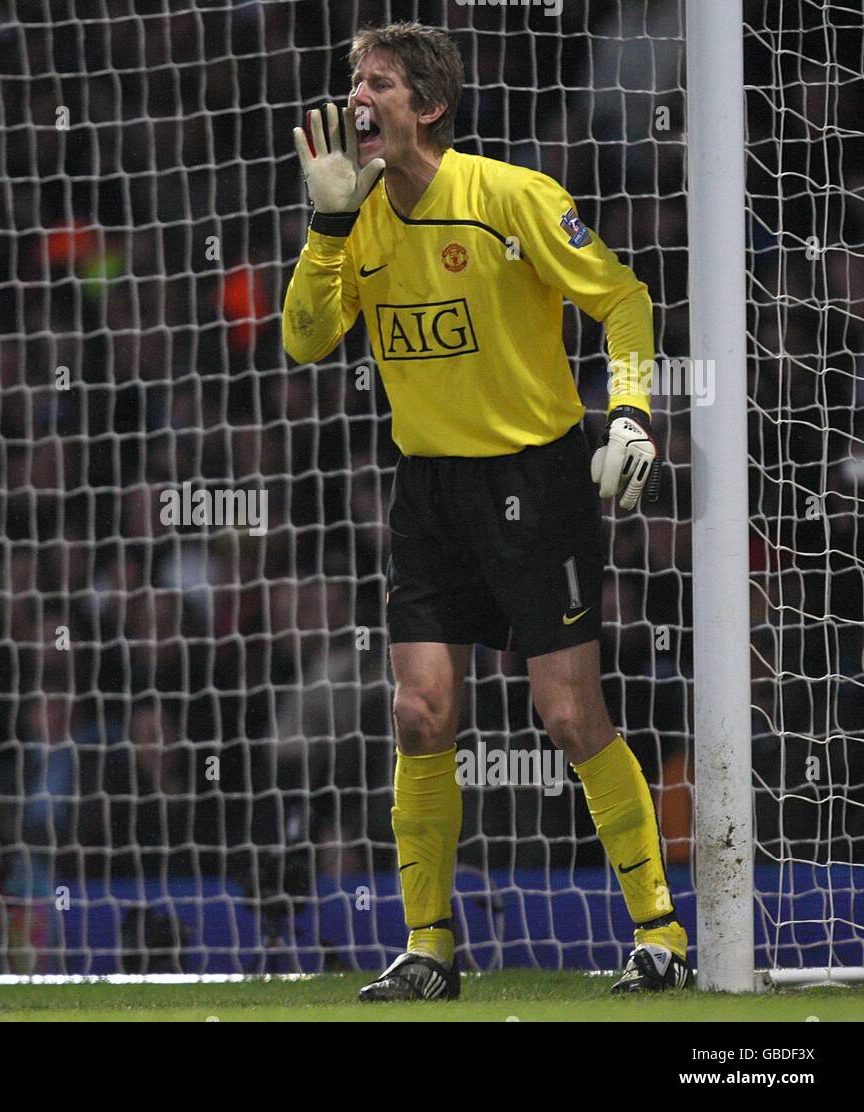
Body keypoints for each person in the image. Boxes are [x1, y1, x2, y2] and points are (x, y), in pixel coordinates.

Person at [283, 21, 691, 1000]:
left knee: (566, 712)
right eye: (352, 84)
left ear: (426, 104)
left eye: (375, 83)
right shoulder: (359, 215)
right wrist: (327, 227)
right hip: (427, 489)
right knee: (419, 712)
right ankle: (429, 946)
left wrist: (629, 412)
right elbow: (303, 341)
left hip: (536, 477)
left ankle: (659, 930)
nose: (355, 101)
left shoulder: (510, 195)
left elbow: (625, 299)